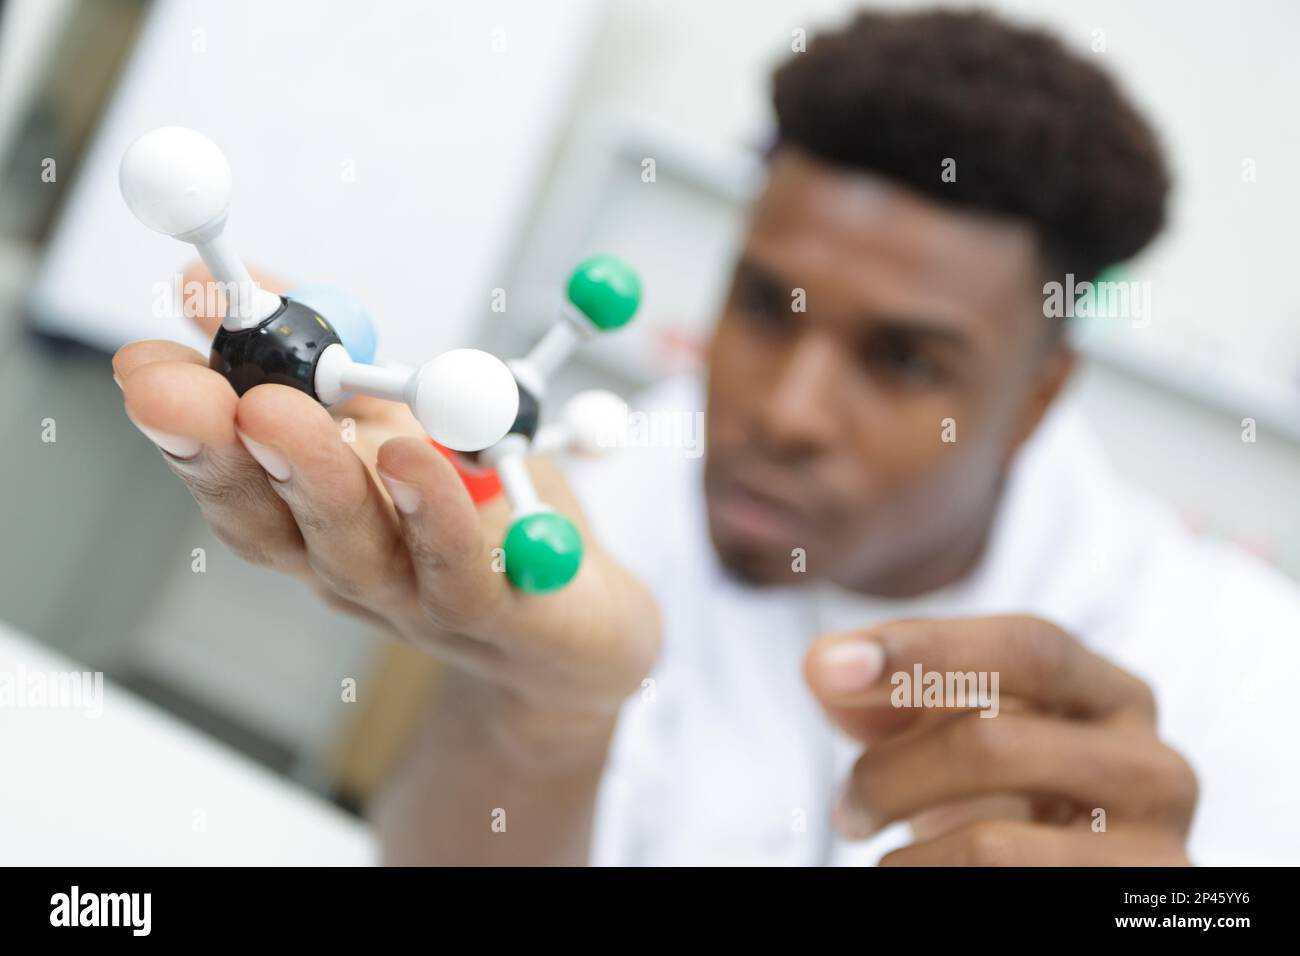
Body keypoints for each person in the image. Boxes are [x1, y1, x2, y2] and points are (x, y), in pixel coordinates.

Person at [113, 9, 1300, 866]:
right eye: (762, 308)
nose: (783, 412)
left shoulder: (1240, 661)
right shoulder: (593, 498)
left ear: (1039, 395)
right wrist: (543, 705)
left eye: (904, 359)